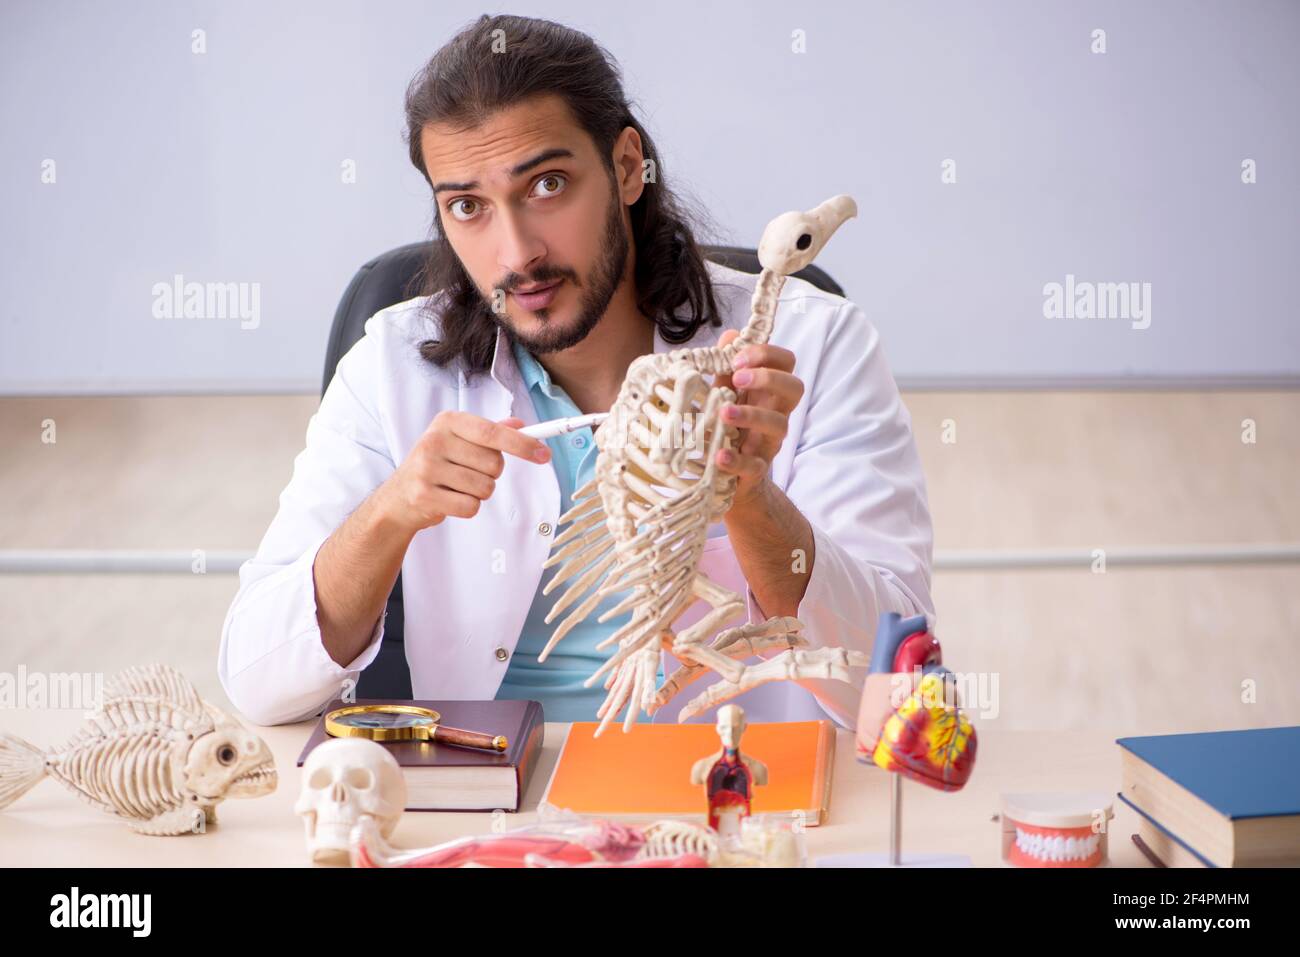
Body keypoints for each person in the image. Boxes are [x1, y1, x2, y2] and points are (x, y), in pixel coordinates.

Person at [217, 14, 933, 727]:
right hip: (495, 806)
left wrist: (748, 495)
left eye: (548, 185)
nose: (516, 252)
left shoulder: (814, 343)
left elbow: (897, 677)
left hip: (735, 805)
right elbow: (258, 680)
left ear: (626, 168)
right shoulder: (390, 366)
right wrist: (390, 510)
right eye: (467, 206)